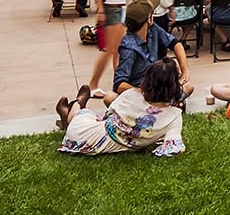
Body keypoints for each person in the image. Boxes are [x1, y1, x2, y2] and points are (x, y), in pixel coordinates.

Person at [55, 61, 186, 158]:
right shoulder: (174, 116)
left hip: (83, 136)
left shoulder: (131, 95)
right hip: (94, 140)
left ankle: (75, 106)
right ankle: (73, 109)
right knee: (86, 117)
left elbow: (107, 117)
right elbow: (173, 145)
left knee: (84, 115)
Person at [113, 0, 196, 98]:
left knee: (188, 87)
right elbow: (119, 84)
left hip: (158, 85)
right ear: (149, 18)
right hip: (140, 91)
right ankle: (168, 104)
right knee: (110, 97)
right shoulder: (129, 47)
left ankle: (165, 103)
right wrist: (142, 92)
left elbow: (176, 44)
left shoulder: (153, 29)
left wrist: (185, 71)